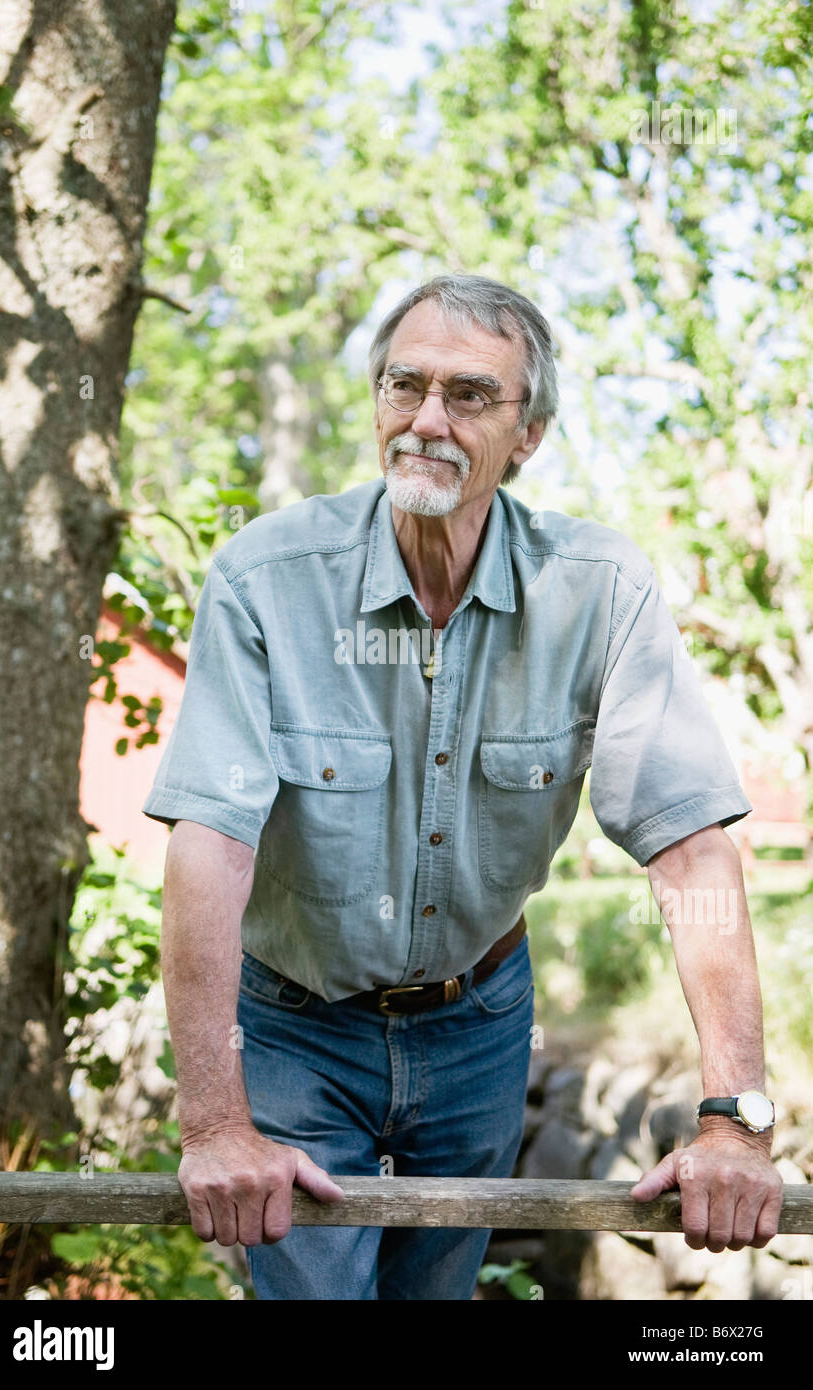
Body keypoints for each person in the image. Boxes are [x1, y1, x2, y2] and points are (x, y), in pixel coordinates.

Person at [142, 273, 782, 1301]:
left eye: (470, 395)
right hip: (296, 1022)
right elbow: (210, 842)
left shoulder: (599, 593)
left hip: (480, 1023)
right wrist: (215, 1123)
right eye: (405, 386)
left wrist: (733, 1118)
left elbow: (690, 847)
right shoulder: (266, 580)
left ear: (527, 434)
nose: (426, 420)